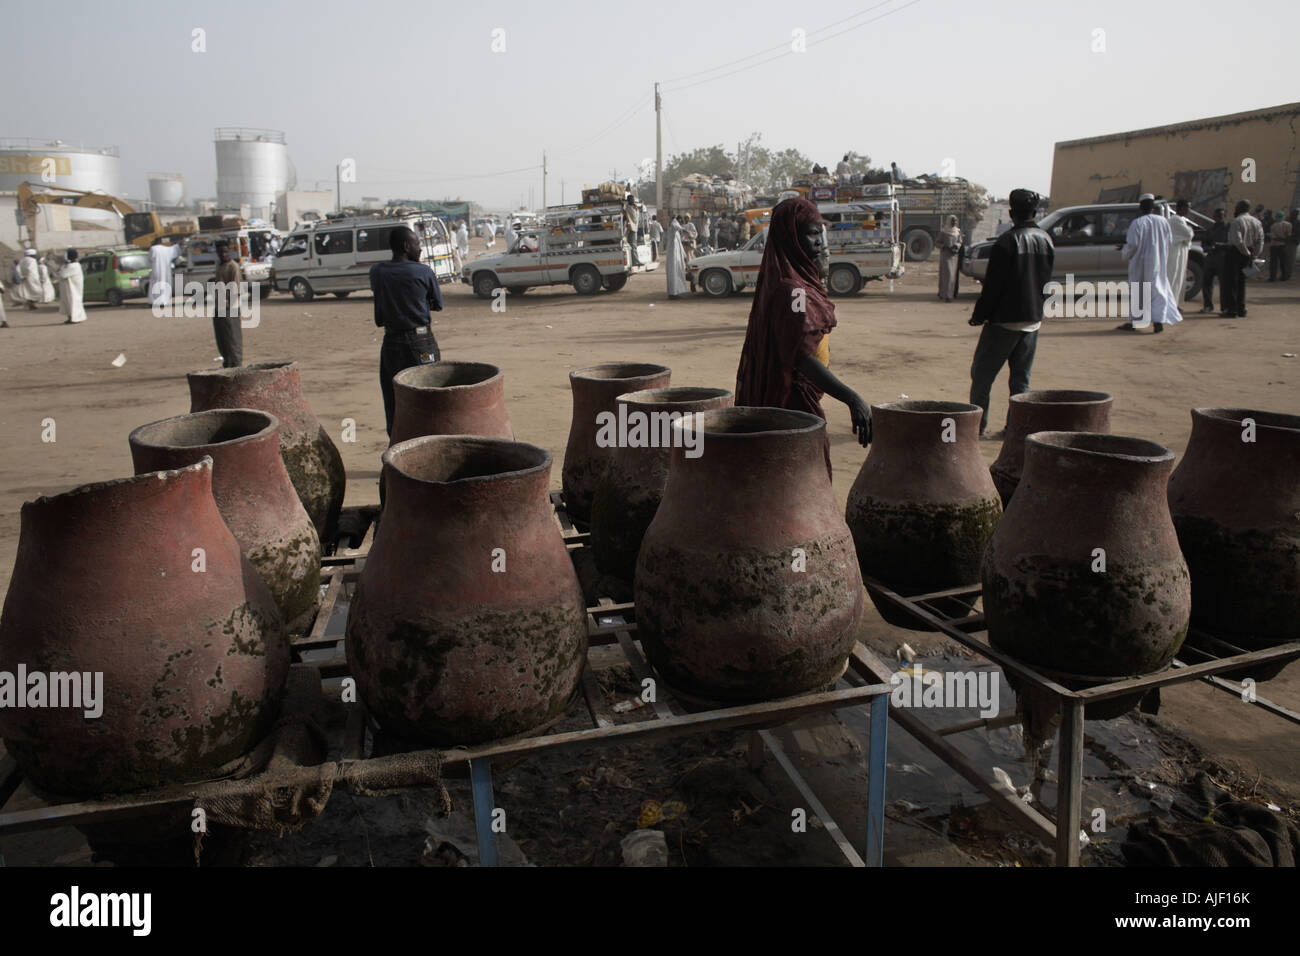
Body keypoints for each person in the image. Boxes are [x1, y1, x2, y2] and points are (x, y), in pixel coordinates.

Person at [735, 197, 872, 479]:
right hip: (792, 401)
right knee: (804, 479)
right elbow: (801, 357)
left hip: (802, 398)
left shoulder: (800, 281)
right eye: (811, 233)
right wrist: (852, 398)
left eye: (820, 231)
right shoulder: (791, 290)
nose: (820, 241)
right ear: (791, 238)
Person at [967, 188, 1053, 438]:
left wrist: (979, 315)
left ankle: (976, 428)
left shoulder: (1007, 242)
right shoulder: (1046, 239)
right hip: (1032, 321)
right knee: (1020, 380)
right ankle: (1016, 429)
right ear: (1034, 213)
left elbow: (993, 287)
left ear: (1012, 213)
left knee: (982, 375)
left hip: (1004, 321)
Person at [371, 226, 442, 436]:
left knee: (393, 397)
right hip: (421, 340)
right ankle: (430, 441)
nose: (419, 248)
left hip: (391, 341)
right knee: (429, 395)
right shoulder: (423, 271)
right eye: (417, 244)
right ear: (406, 246)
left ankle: (398, 445)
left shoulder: (377, 272)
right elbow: (437, 303)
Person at [1116, 194, 1182, 333]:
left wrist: (1124, 251)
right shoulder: (1163, 221)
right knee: (1157, 289)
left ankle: (1135, 321)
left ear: (1140, 207)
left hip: (1140, 262)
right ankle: (1158, 321)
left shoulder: (1138, 223)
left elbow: (1133, 244)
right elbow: (1169, 241)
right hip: (1158, 262)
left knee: (1139, 291)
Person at [1221, 200, 1264, 318]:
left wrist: (1246, 252)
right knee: (1242, 282)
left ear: (1239, 208)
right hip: (1248, 253)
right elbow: (1260, 240)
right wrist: (1254, 255)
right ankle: (1241, 309)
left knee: (1231, 282)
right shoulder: (1257, 222)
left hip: (1236, 253)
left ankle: (1232, 310)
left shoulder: (1237, 221)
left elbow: (1238, 241)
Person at [209, 240, 243, 367]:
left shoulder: (233, 267)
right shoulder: (219, 265)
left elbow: (236, 289)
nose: (223, 254)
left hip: (230, 307)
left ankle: (236, 362)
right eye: (220, 252)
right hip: (219, 306)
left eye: (225, 252)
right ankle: (227, 361)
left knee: (232, 336)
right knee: (222, 337)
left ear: (229, 252)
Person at [1167, 199, 1195, 302]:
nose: (1188, 210)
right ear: (1180, 208)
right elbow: (1188, 234)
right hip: (1175, 253)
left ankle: (1174, 303)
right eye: (1186, 207)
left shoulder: (1181, 220)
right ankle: (1171, 303)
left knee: (1178, 278)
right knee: (1173, 277)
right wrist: (1190, 230)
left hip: (1179, 251)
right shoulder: (1176, 219)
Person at [1201, 208, 1228, 313]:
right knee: (1206, 282)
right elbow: (1204, 244)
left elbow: (1231, 243)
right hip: (1210, 258)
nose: (1218, 218)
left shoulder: (1228, 229)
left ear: (1224, 216)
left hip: (1223, 258)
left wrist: (1220, 246)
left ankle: (1224, 307)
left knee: (1224, 284)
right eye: (1216, 216)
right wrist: (1209, 248)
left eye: (1220, 216)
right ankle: (1208, 306)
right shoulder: (1210, 229)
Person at [57, 248, 86, 325]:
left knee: (73, 303)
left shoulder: (73, 266)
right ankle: (71, 317)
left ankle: (74, 318)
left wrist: (62, 268)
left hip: (72, 289)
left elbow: (62, 274)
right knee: (70, 303)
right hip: (70, 288)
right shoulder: (73, 265)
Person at [937, 215, 962, 302]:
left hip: (954, 256)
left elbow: (960, 242)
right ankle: (944, 294)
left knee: (952, 276)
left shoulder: (957, 232)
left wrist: (956, 246)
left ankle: (950, 295)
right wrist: (944, 247)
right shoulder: (943, 232)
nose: (954, 223)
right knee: (946, 275)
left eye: (955, 221)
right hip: (945, 255)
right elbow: (937, 243)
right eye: (952, 221)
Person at [148, 237, 178, 308]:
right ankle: (164, 301)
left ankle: (154, 301)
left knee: (155, 284)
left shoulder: (153, 248)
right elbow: (176, 250)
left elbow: (150, 258)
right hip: (166, 270)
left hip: (156, 269)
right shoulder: (167, 249)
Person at [664, 216, 687, 299]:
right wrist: (684, 229)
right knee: (673, 274)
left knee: (677, 274)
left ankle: (675, 292)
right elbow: (675, 225)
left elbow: (680, 245)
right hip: (673, 257)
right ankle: (673, 294)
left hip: (676, 256)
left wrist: (684, 255)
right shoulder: (673, 227)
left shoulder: (676, 232)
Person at [1268, 211, 1292, 281]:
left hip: (1274, 246)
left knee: (1273, 263)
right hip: (1283, 245)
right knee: (1283, 262)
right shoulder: (1288, 225)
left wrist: (1277, 238)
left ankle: (1272, 277)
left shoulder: (1273, 226)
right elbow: (1288, 236)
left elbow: (1272, 237)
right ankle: (1284, 277)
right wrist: (1283, 240)